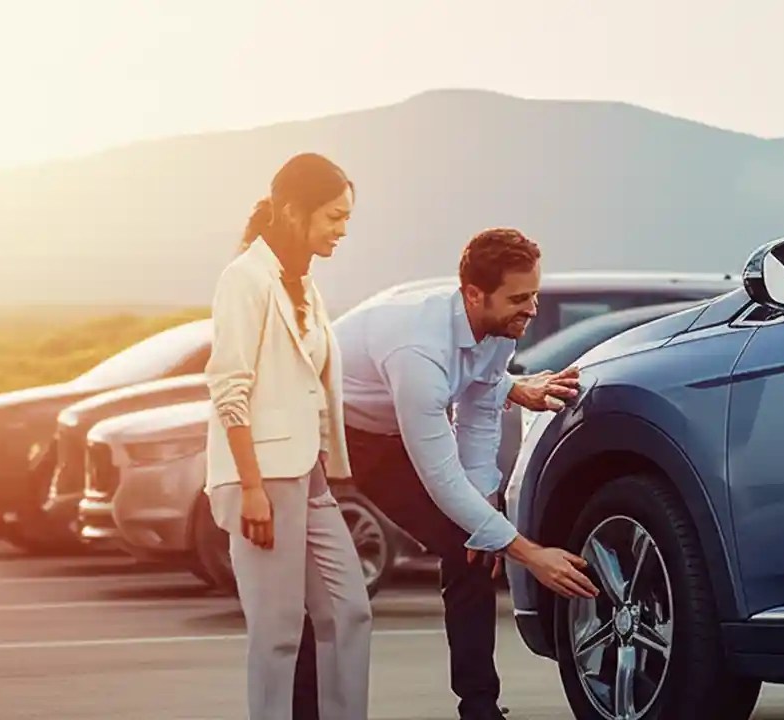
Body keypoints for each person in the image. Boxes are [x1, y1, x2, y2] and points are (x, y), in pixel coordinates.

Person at [296, 227, 600, 720]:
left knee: (472, 550)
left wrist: (486, 522)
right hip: (329, 430)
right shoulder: (418, 353)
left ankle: (479, 708)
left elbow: (478, 422)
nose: (532, 309)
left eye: (535, 294)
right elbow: (439, 475)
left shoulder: (500, 329)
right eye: (519, 298)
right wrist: (528, 553)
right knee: (322, 586)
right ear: (474, 295)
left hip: (387, 427)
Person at [205, 152, 372, 720]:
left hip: (308, 476)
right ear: (294, 211)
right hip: (263, 478)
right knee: (277, 634)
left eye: (346, 217)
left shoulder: (304, 282)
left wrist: (325, 462)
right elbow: (229, 387)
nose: (342, 230)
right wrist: (251, 488)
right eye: (333, 217)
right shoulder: (245, 279)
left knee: (349, 610)